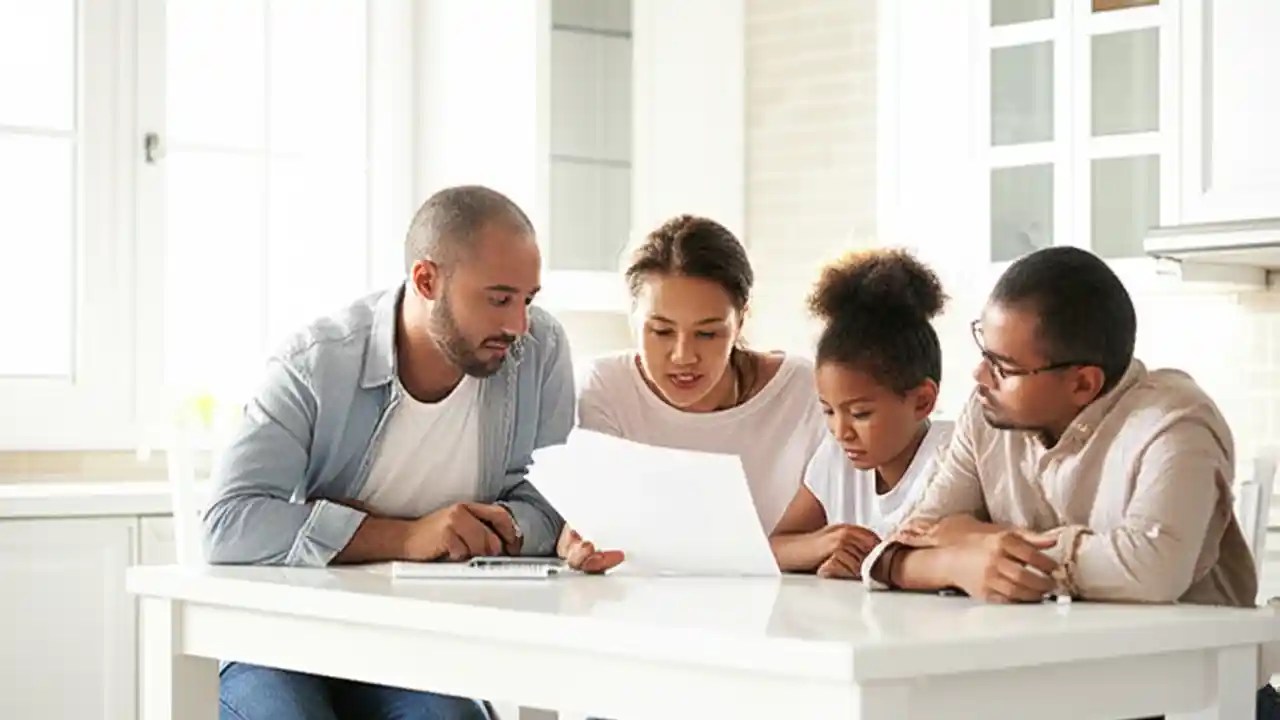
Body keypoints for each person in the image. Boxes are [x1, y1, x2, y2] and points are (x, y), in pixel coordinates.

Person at [204, 185, 606, 720]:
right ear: (426, 279)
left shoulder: (540, 352)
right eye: (499, 298)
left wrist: (495, 525)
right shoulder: (317, 363)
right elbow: (229, 523)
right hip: (282, 638)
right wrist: (408, 537)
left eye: (527, 300)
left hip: (415, 644)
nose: (518, 325)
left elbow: (551, 504)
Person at [859, 246, 1278, 717]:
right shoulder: (987, 415)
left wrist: (986, 541)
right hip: (1063, 689)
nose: (979, 376)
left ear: (1082, 384)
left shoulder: (1174, 421)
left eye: (1004, 367)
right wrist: (959, 566)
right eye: (983, 352)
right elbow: (899, 546)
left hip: (1198, 697)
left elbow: (1152, 568)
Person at [574, 214, 827, 534]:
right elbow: (593, 526)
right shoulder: (603, 388)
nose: (683, 356)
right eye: (661, 331)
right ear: (633, 317)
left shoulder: (804, 391)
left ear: (741, 320)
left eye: (707, 334)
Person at [769, 249, 952, 579]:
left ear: (922, 401)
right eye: (828, 410)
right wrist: (824, 544)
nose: (841, 431)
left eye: (860, 413)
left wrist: (870, 566)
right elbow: (774, 546)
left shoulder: (951, 459)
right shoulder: (836, 459)